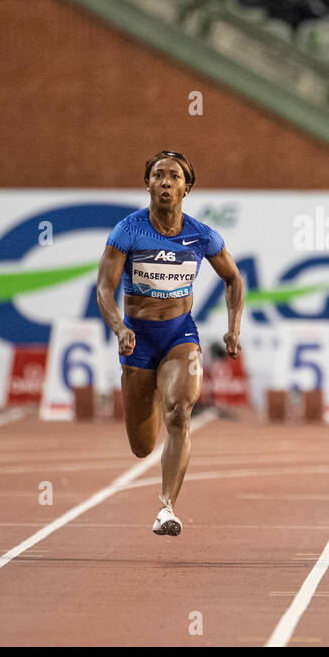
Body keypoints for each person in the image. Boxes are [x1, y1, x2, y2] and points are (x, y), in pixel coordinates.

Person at [95, 151, 244, 536]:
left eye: (173, 177)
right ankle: (152, 397)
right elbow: (104, 288)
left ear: (186, 188)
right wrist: (119, 328)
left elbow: (234, 279)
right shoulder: (127, 231)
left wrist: (233, 328)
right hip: (137, 340)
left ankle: (166, 508)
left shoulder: (202, 235)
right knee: (142, 447)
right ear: (147, 183)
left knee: (180, 412)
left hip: (180, 336)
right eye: (157, 176)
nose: (165, 182)